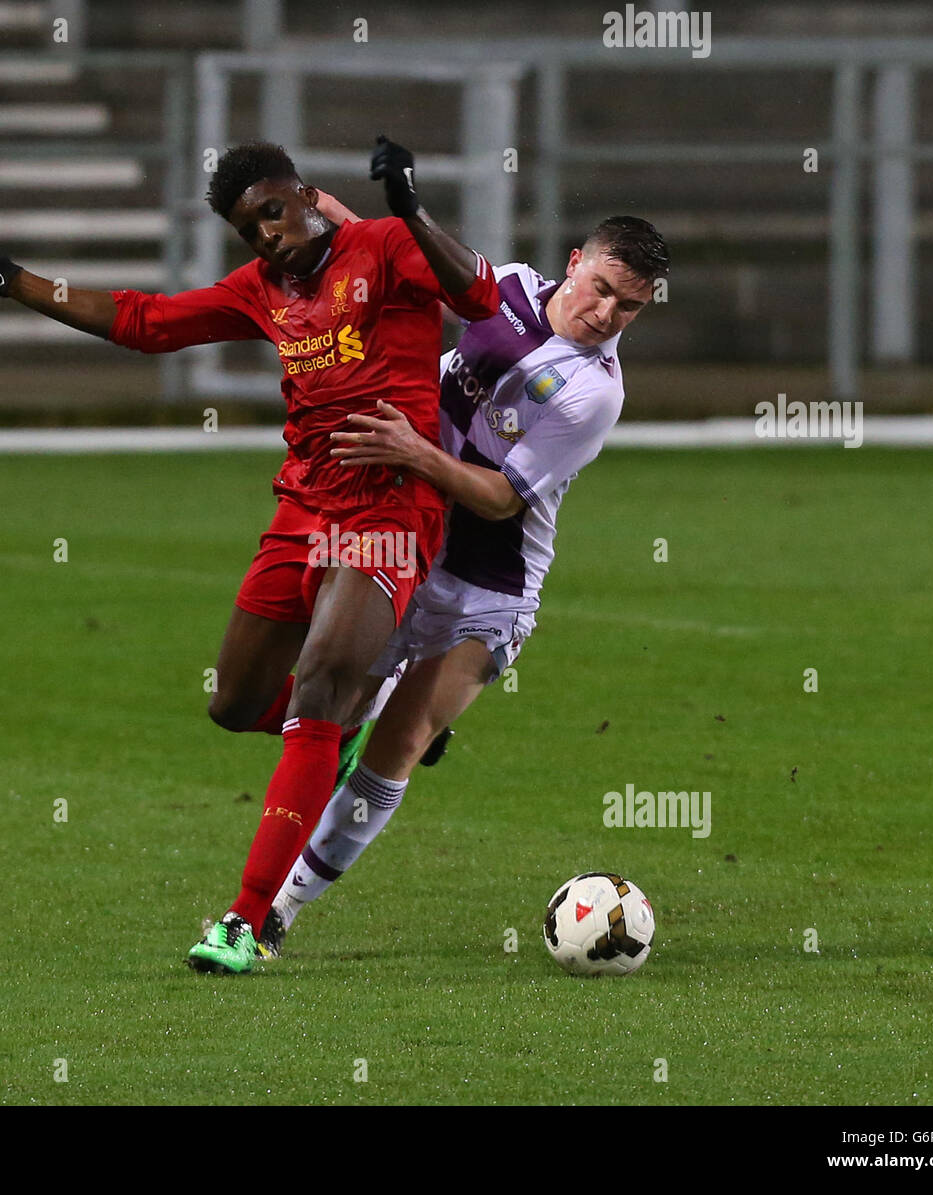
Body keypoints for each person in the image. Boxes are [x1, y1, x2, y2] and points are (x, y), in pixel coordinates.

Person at [0, 137, 501, 973]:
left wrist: (411, 209)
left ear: (306, 195)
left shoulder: (383, 246)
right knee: (235, 704)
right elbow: (145, 322)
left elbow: (480, 296)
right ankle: (355, 718)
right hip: (301, 508)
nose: (265, 234)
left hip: (389, 505)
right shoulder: (260, 289)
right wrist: (14, 281)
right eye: (248, 228)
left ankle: (245, 920)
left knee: (316, 687)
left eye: (272, 211)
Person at [260, 202, 670, 955]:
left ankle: (277, 912)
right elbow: (399, 257)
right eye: (603, 289)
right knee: (321, 709)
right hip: (406, 545)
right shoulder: (504, 287)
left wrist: (414, 452)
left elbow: (503, 498)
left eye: (630, 307)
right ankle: (362, 713)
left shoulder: (595, 392)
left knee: (400, 742)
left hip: (489, 587)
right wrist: (324, 208)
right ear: (574, 262)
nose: (607, 313)